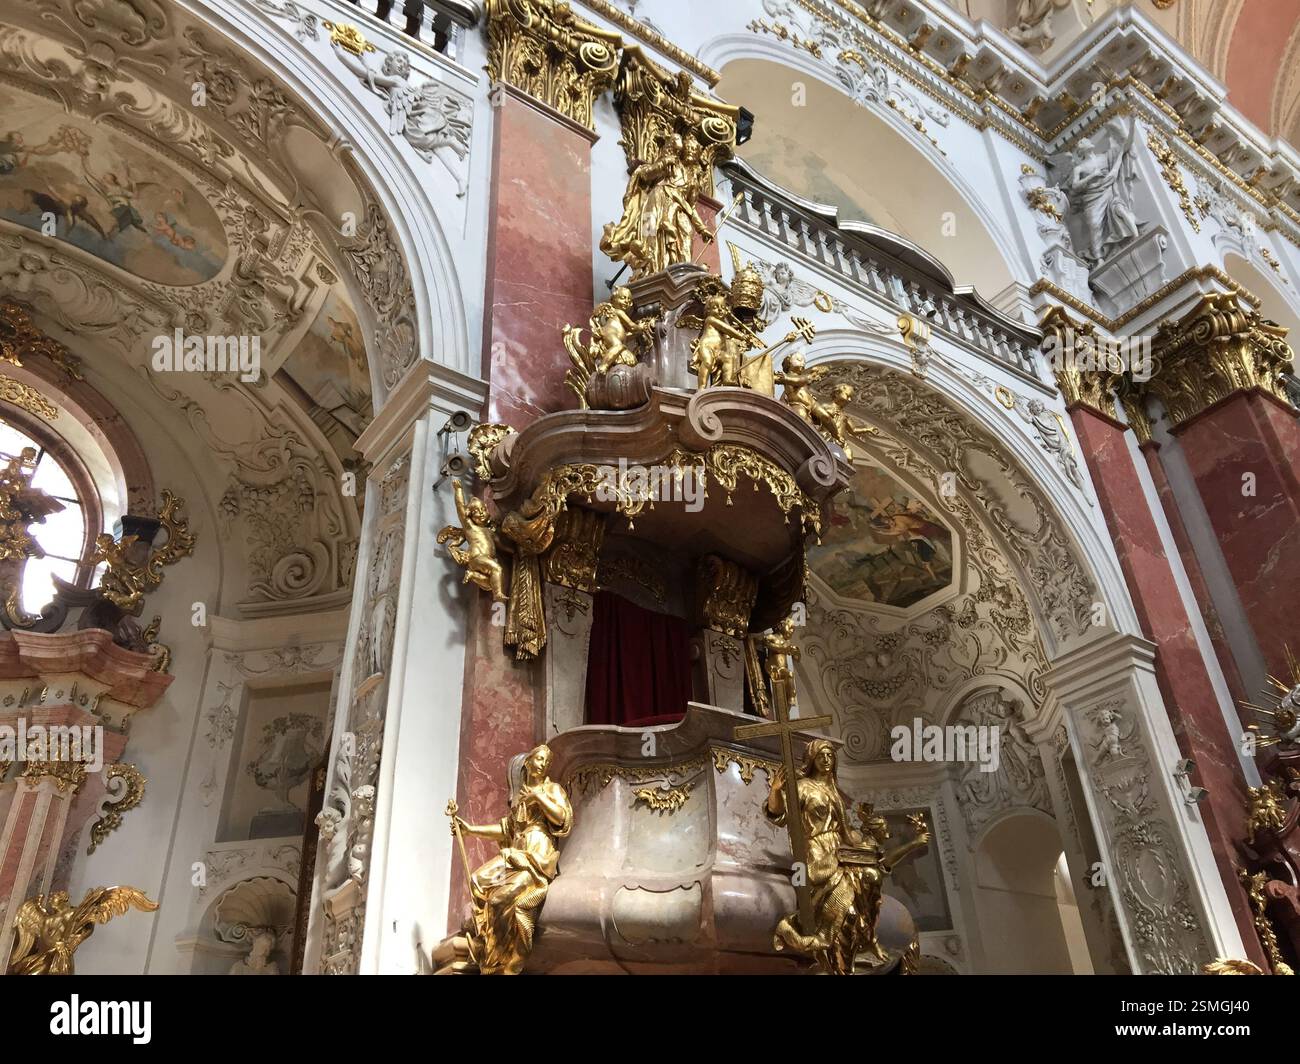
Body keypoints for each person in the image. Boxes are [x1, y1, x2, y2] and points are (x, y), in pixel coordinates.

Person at [452, 745, 573, 975]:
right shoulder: (519, 797)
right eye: (538, 759)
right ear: (527, 762)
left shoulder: (551, 789)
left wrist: (539, 797)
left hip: (535, 858)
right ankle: (484, 940)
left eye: (545, 762)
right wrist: (470, 830)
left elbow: (563, 818)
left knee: (499, 901)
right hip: (514, 855)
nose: (542, 764)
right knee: (479, 881)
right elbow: (506, 828)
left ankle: (497, 964)